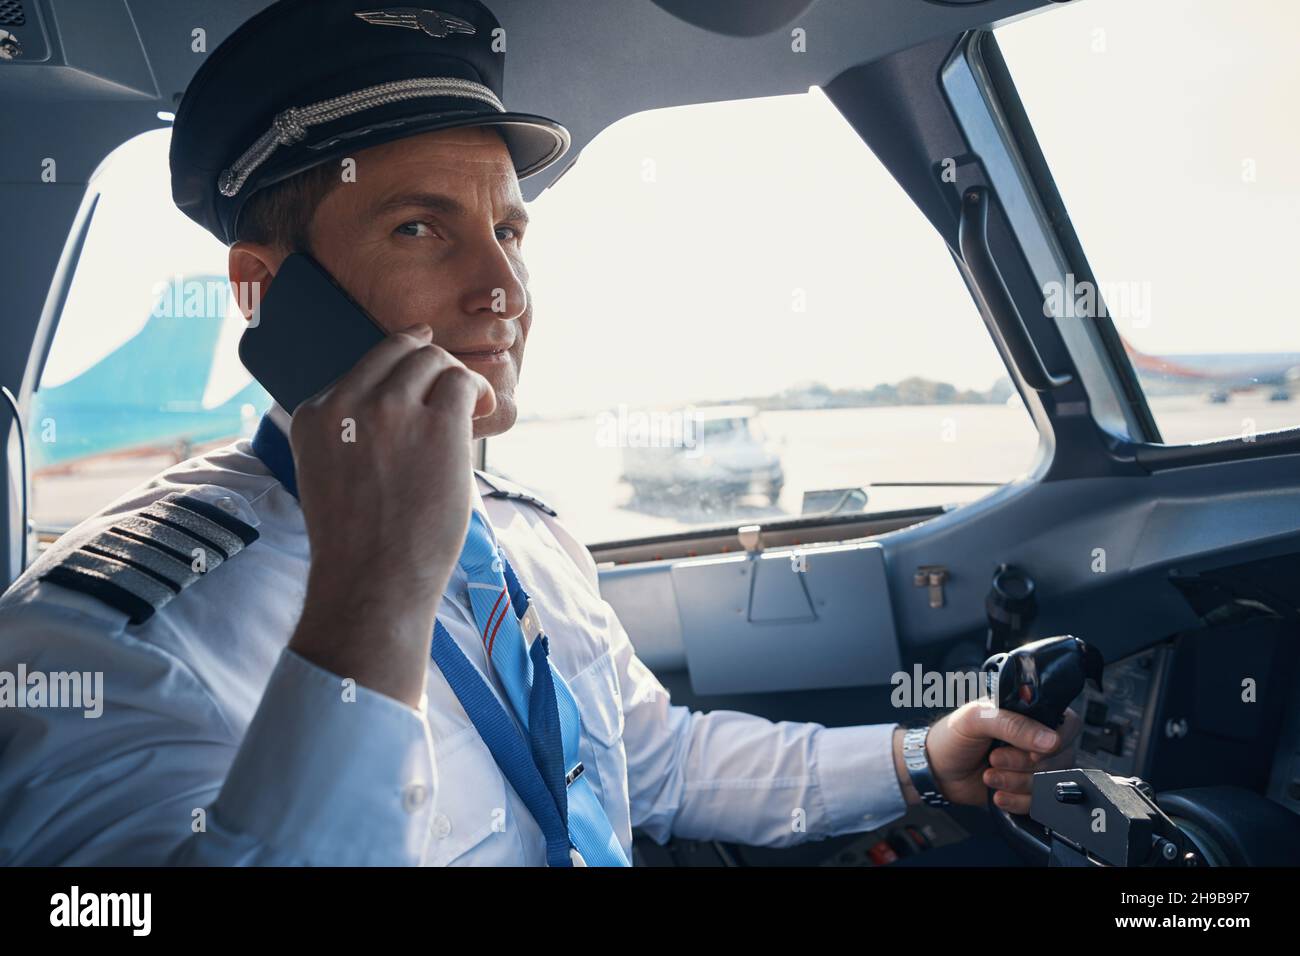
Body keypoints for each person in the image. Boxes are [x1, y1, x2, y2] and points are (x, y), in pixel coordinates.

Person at [0, 0, 1077, 866]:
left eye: (510, 229)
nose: (503, 287)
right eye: (422, 226)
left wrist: (919, 757)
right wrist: (369, 598)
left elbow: (653, 764)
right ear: (267, 289)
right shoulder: (109, 637)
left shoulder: (520, 535)